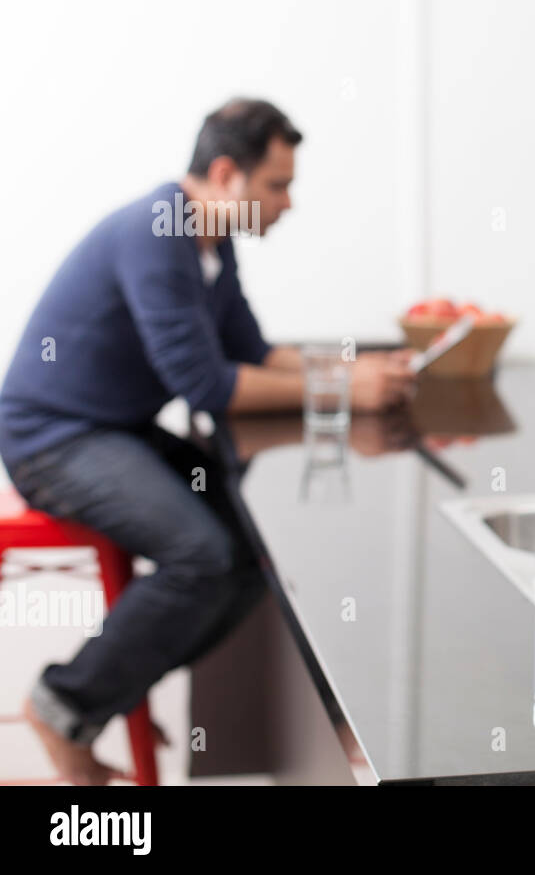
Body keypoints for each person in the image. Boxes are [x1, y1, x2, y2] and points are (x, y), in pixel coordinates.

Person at [0, 98, 415, 784]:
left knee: (254, 550)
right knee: (201, 554)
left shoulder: (210, 245)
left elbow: (250, 349)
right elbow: (206, 384)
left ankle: (111, 684)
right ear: (227, 174)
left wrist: (354, 373)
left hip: (113, 428)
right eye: (277, 185)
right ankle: (66, 703)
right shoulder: (157, 234)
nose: (287, 202)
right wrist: (340, 391)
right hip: (52, 438)